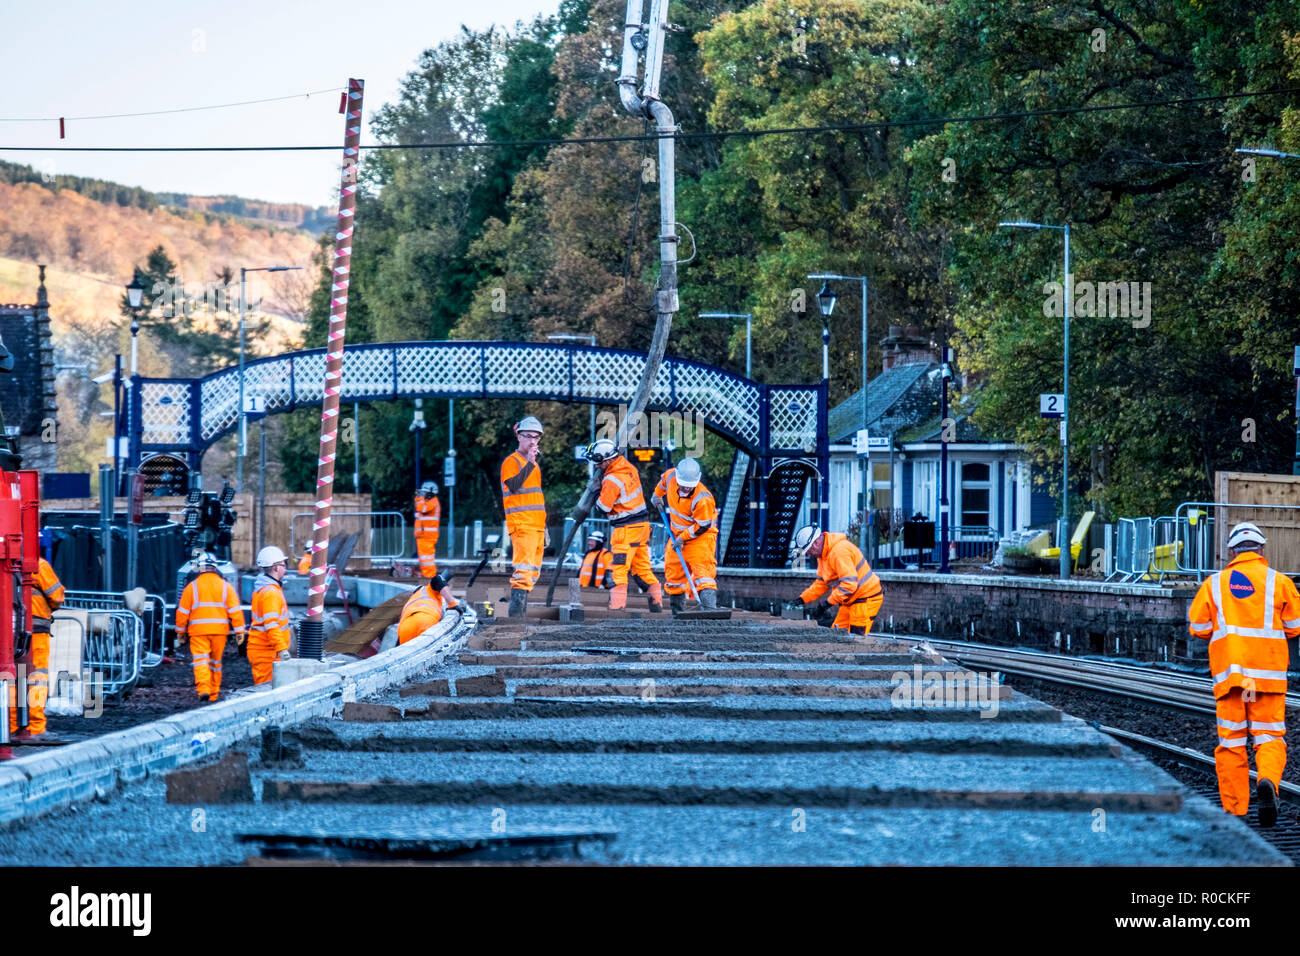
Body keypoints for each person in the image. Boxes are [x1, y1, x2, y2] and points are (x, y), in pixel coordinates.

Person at [1188, 521, 1300, 827]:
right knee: (1268, 739)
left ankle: (1235, 811)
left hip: (1232, 680)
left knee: (1232, 743)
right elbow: (1294, 627)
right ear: (1262, 549)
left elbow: (1197, 627)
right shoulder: (1281, 583)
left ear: (1231, 552)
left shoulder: (1213, 584)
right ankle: (1267, 781)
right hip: (1267, 679)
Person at [585, 438, 662, 612]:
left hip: (626, 530)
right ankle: (656, 606)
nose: (597, 466)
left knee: (618, 570)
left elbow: (603, 507)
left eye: (598, 463)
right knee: (643, 570)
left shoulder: (612, 479)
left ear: (608, 459)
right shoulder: (629, 468)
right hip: (641, 528)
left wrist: (596, 490)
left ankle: (616, 611)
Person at [175, 552, 245, 703]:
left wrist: (180, 632)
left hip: (198, 632)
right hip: (219, 632)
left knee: (201, 661)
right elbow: (235, 610)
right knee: (215, 662)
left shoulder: (191, 587)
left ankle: (204, 690)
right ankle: (214, 693)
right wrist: (240, 631)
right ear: (215, 568)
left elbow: (182, 612)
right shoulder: (226, 587)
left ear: (200, 568)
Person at [788, 525, 883, 636]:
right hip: (851, 600)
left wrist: (826, 604)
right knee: (836, 634)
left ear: (816, 543)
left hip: (865, 599)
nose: (809, 555)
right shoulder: (823, 556)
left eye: (809, 551)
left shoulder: (839, 552)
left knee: (856, 639)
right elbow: (821, 583)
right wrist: (802, 599)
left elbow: (849, 585)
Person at [652, 457, 719, 611]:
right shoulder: (671, 476)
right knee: (674, 576)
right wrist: (657, 495)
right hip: (676, 536)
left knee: (703, 574)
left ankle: (709, 611)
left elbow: (702, 526)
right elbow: (663, 482)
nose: (685, 489)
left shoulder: (703, 499)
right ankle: (678, 613)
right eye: (683, 485)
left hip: (700, 538)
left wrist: (682, 538)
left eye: (689, 487)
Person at [9, 557, 64, 739]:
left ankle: (9, 725)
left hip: (8, 631)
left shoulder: (4, 565)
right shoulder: (38, 565)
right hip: (37, 632)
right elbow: (57, 597)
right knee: (37, 677)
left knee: (9, 677)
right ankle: (35, 726)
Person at [500, 416, 546, 618]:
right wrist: (529, 463)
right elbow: (514, 485)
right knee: (523, 573)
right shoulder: (512, 462)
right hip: (522, 524)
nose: (533, 441)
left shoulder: (534, 466)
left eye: (537, 437)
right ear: (519, 436)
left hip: (536, 526)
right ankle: (515, 617)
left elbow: (536, 497)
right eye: (529, 436)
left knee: (532, 573)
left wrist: (544, 527)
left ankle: (518, 612)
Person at [248, 546, 293, 686]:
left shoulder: (267, 589)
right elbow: (271, 624)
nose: (285, 569)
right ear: (275, 568)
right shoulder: (271, 593)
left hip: (266, 651)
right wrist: (281, 649)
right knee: (265, 693)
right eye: (283, 565)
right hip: (266, 653)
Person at [397, 573, 459, 644]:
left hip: (405, 627)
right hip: (426, 622)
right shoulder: (429, 589)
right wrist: (453, 604)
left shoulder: (416, 596)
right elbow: (438, 579)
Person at [413, 480, 441, 579]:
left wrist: (419, 497)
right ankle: (428, 576)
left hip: (427, 536)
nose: (423, 494)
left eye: (424, 492)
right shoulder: (430, 501)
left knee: (427, 559)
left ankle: (430, 577)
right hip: (424, 535)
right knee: (424, 558)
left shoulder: (432, 501)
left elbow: (421, 508)